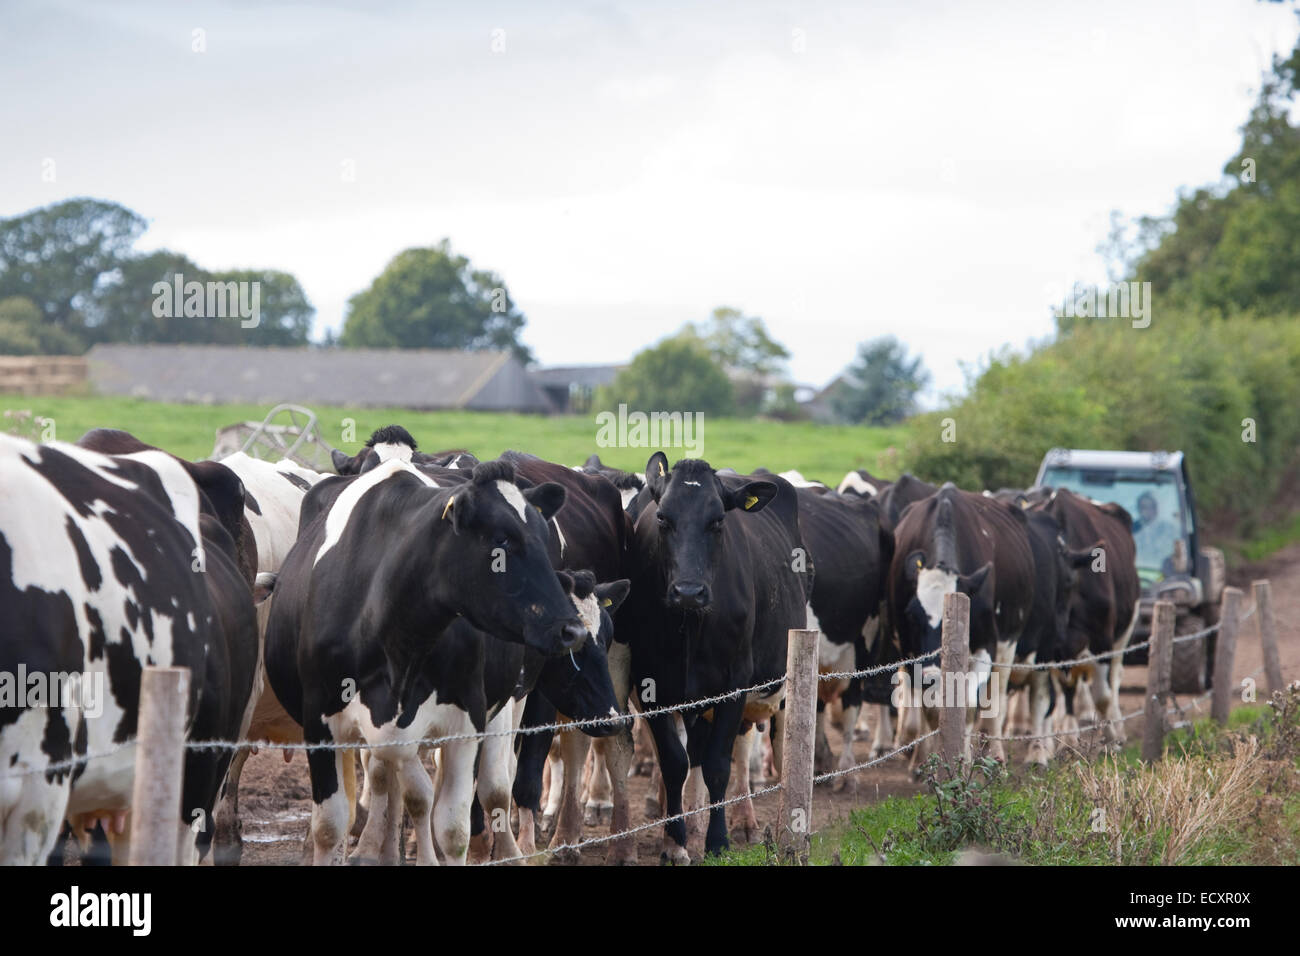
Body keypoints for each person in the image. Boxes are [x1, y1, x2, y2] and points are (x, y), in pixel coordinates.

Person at [1132, 491, 1179, 574]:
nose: (1147, 511)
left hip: (1164, 577)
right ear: (1138, 509)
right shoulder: (1131, 529)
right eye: (1143, 507)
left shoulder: (1170, 530)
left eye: (1151, 507)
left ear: (1157, 508)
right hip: (1135, 574)